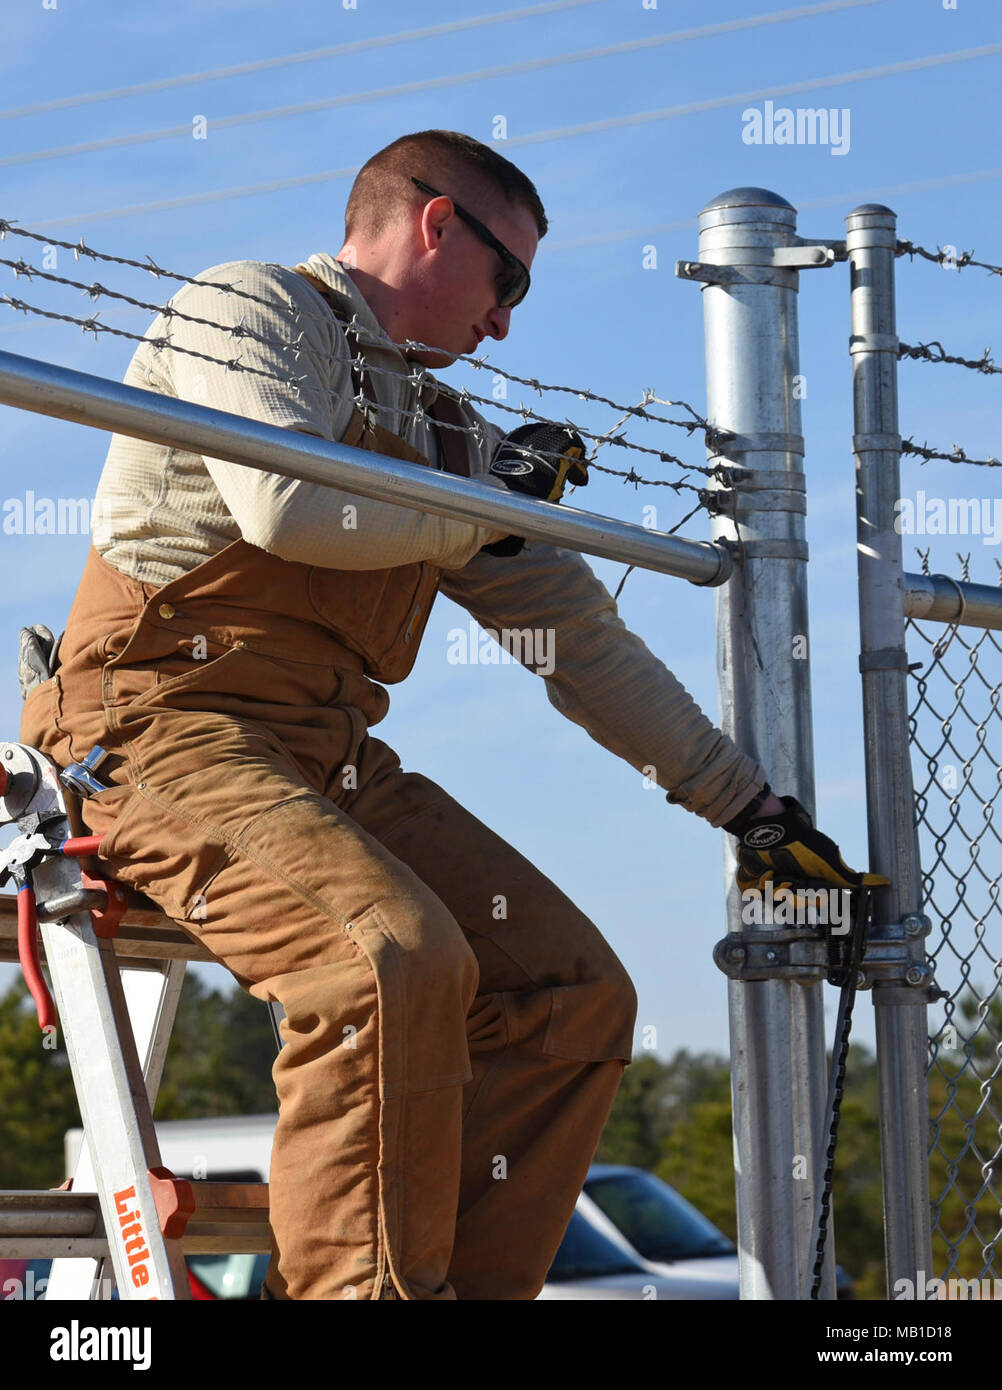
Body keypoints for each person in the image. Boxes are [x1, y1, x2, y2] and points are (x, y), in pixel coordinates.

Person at [17, 129, 878, 1301]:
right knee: (385, 956)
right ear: (435, 225)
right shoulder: (252, 311)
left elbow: (580, 646)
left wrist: (752, 812)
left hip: (321, 755)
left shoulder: (450, 437)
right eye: (507, 279)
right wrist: (482, 504)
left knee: (570, 996)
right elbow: (292, 506)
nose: (507, 323)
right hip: (155, 727)